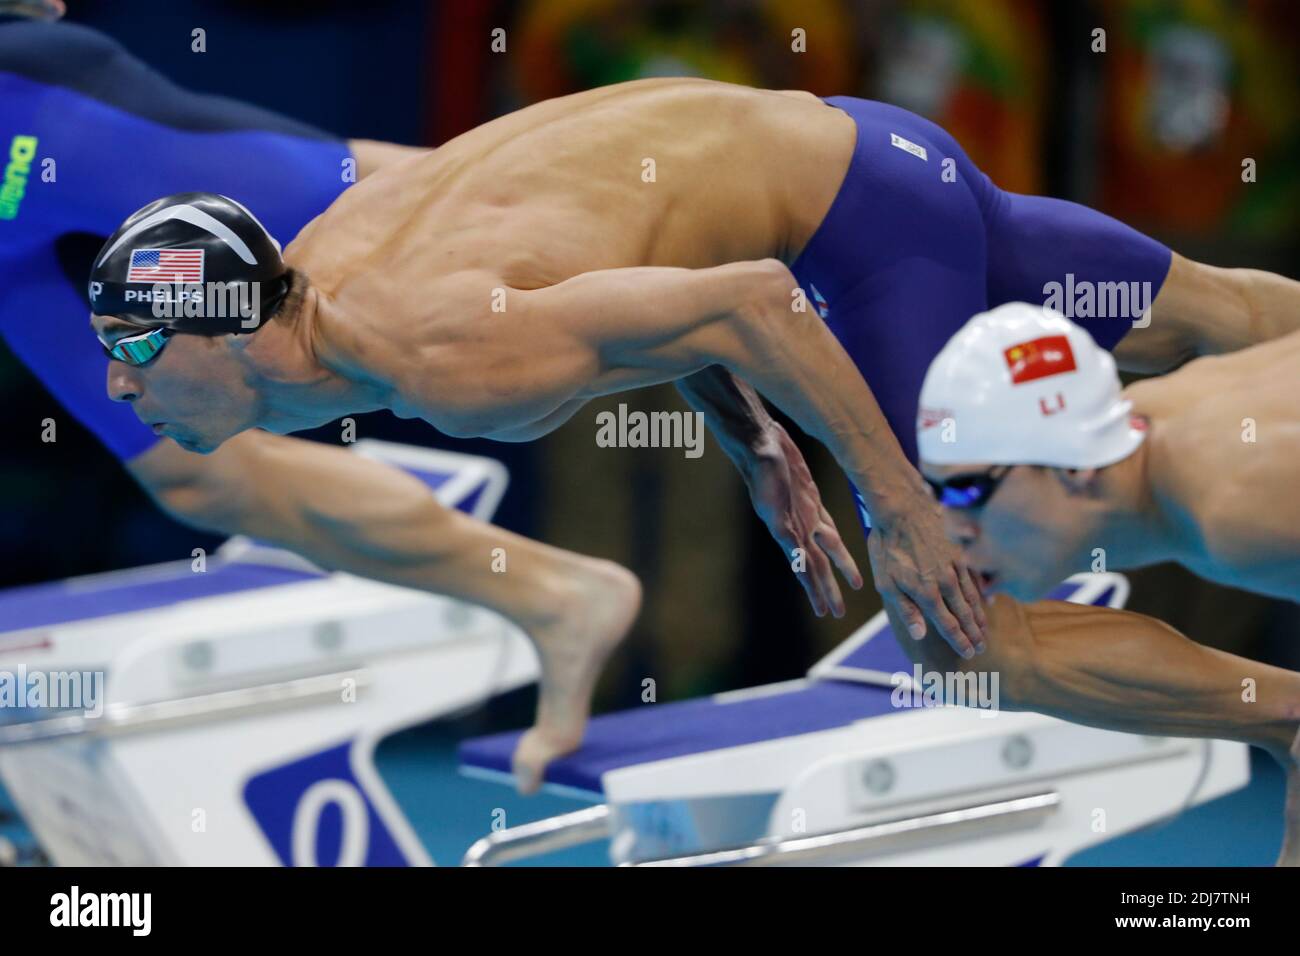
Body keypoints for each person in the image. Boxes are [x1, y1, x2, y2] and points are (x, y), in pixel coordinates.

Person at [89, 78, 1300, 661]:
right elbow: (627, 257)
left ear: (230, 328)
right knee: (1213, 312)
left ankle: (1278, 719)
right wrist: (753, 436)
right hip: (869, 153)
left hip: (850, 238)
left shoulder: (444, 356)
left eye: (133, 347)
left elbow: (751, 299)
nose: (117, 388)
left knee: (960, 620)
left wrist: (896, 507)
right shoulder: (321, 259)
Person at [0, 5, 872, 792]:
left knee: (441, 209)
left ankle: (810, 291)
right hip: (12, 241)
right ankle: (556, 596)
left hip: (53, 127)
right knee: (197, 480)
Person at [914, 301, 1300, 864]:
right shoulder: (1120, 448)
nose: (952, 528)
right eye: (938, 491)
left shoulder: (1235, 505)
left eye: (969, 490)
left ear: (1073, 468)